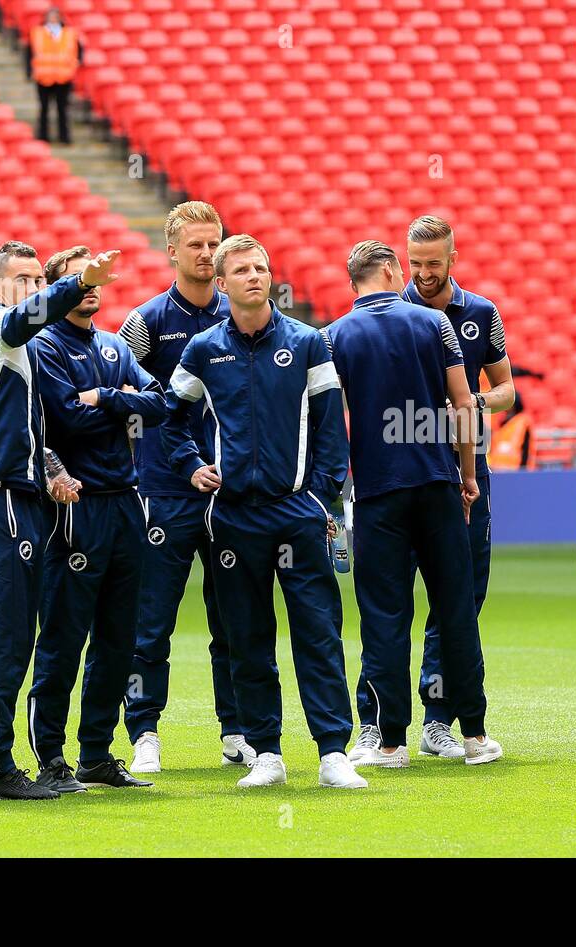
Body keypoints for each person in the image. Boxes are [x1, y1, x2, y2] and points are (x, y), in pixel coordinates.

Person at [160, 235, 364, 789]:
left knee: (318, 632)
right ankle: (266, 752)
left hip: (297, 513)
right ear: (221, 284)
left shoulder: (308, 343)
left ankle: (332, 753)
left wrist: (322, 499)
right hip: (231, 517)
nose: (256, 276)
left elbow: (331, 429)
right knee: (246, 638)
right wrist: (189, 466)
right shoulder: (203, 349)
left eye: (262, 268)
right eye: (243, 270)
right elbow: (171, 419)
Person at [329, 240, 503, 768]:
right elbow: (464, 404)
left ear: (354, 280)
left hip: (379, 493)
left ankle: (388, 742)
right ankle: (472, 734)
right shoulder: (435, 325)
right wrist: (468, 476)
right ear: (391, 270)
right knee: (456, 611)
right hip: (438, 485)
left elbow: (334, 427)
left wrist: (338, 496)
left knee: (384, 616)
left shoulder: (332, 336)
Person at [0, 241, 119, 801]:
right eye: (21, 279)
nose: (30, 288)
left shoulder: (19, 354)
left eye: (36, 278)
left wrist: (50, 467)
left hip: (22, 496)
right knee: (4, 636)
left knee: (16, 633)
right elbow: (30, 315)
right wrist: (76, 283)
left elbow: (30, 430)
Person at [117, 202, 254, 773]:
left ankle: (237, 730)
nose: (206, 253)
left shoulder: (241, 315)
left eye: (213, 243)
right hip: (164, 491)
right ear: (172, 251)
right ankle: (144, 730)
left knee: (234, 619)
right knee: (151, 620)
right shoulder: (145, 322)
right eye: (196, 244)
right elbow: (124, 385)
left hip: (229, 492)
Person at [25, 247, 166, 792]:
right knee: (63, 635)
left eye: (96, 280)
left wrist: (106, 396)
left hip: (126, 503)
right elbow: (65, 418)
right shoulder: (45, 346)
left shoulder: (112, 347)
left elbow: (160, 403)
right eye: (78, 280)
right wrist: (122, 403)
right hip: (74, 508)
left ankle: (97, 754)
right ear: (58, 291)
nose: (91, 288)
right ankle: (52, 759)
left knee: (117, 637)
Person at [398, 215, 514, 760]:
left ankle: (438, 718)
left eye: (433, 263)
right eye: (415, 263)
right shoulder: (391, 313)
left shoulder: (482, 313)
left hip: (470, 471)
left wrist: (470, 404)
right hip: (405, 467)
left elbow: (508, 389)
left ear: (453, 259)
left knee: (462, 596)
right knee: (394, 595)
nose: (423, 273)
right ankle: (384, 723)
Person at [30, 8, 80, 145]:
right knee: (44, 108)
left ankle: (64, 137)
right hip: (43, 77)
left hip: (63, 77)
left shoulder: (70, 33)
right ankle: (43, 136)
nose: (53, 19)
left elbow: (79, 52)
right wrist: (31, 71)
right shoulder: (38, 33)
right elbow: (30, 52)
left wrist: (72, 68)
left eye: (55, 16)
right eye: (50, 16)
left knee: (62, 109)